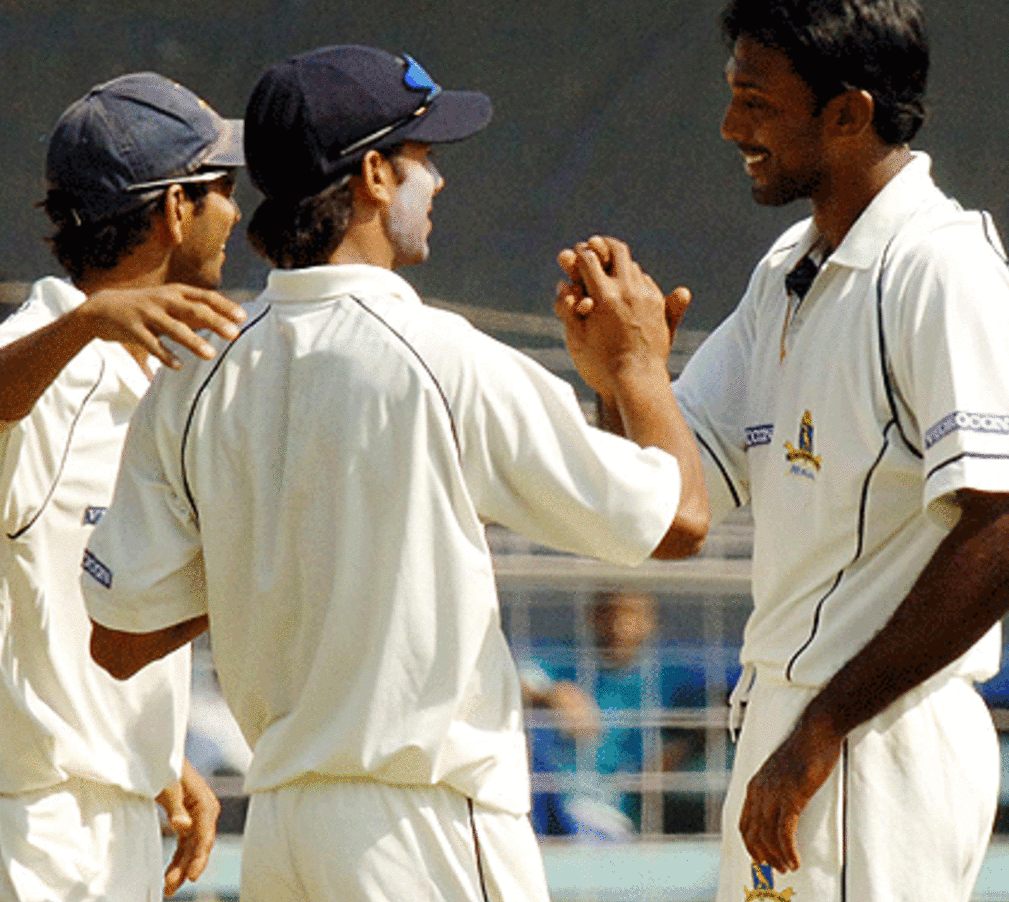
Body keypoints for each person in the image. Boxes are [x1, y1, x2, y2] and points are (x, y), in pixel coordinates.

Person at [80, 44, 709, 902]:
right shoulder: (443, 359)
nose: (437, 184)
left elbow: (119, 637)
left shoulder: (195, 374)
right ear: (373, 174)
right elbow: (676, 524)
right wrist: (635, 370)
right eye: (424, 158)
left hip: (284, 833)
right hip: (425, 827)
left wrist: (278, 552)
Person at [557, 0, 1009, 902]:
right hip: (798, 733)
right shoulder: (790, 265)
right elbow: (670, 508)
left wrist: (823, 730)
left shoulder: (939, 268)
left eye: (757, 101)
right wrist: (620, 380)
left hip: (876, 746)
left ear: (848, 113)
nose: (732, 127)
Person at [0, 72, 248, 901]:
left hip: (94, 807)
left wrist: (151, 754)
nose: (235, 214)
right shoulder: (44, 353)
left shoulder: (143, 371)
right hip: (28, 820)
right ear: (174, 208)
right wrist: (84, 324)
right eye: (222, 190)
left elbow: (75, 592)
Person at [521, 590, 658, 839]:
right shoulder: (564, 661)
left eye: (632, 614)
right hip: (557, 799)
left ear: (650, 622)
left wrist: (686, 743)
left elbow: (719, 703)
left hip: (618, 811)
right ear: (591, 617)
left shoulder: (667, 674)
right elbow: (511, 684)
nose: (619, 625)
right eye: (609, 613)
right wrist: (552, 693)